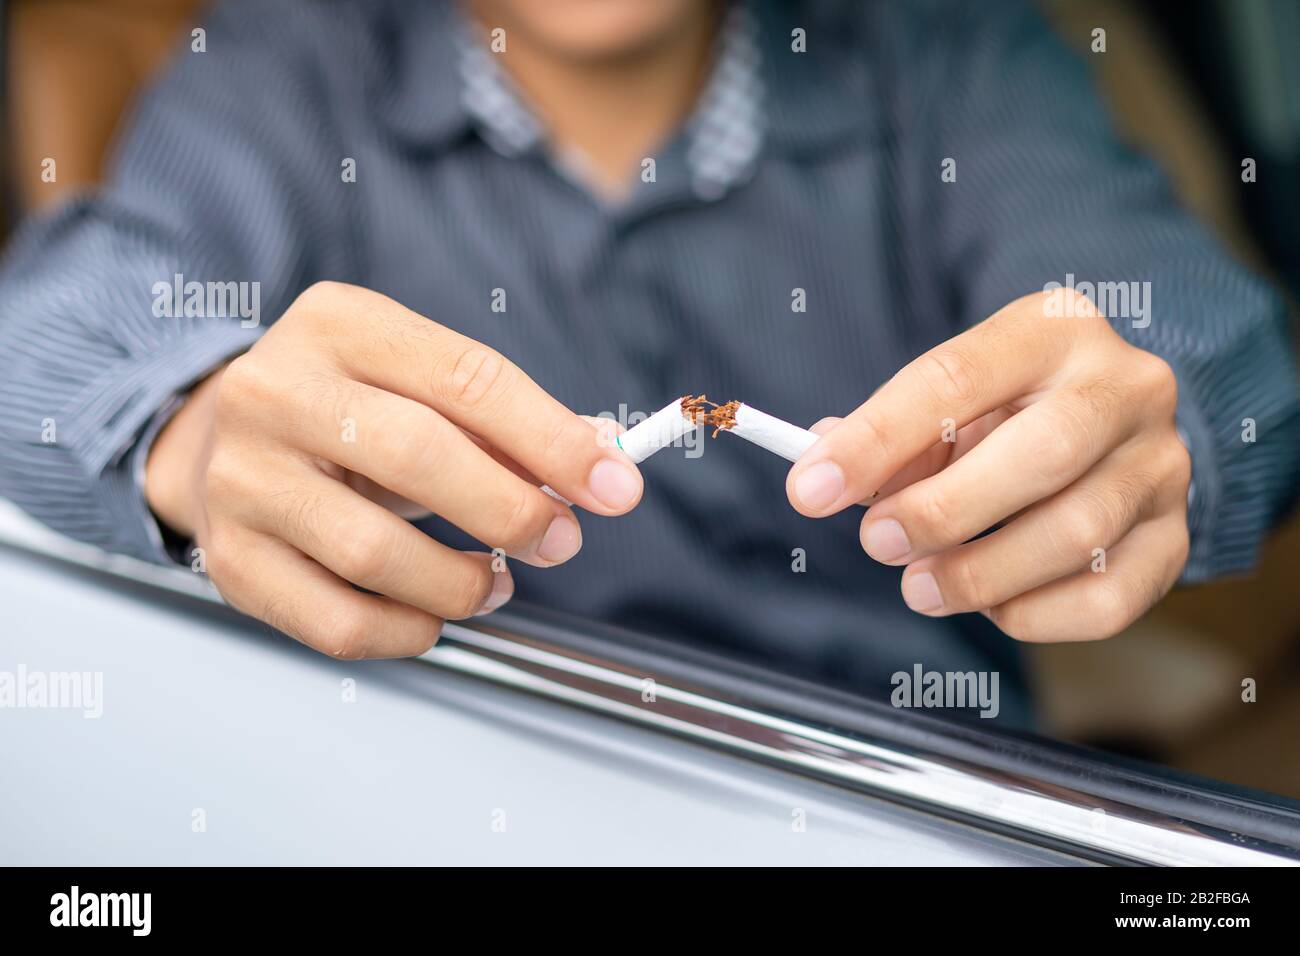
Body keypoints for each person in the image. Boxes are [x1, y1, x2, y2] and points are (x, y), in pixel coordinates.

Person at [1, 0, 1296, 725]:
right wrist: (186, 417)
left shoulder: (950, 50)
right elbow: (52, 325)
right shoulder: (284, 67)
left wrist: (1157, 415)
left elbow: (1203, 331)